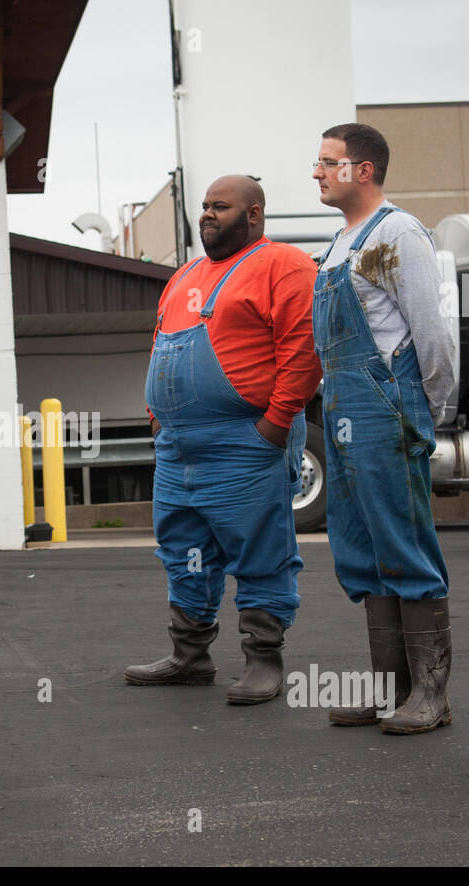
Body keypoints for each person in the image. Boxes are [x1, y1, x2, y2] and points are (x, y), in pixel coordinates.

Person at [125, 175, 322, 704]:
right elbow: (161, 343)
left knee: (260, 549)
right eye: (205, 206)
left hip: (245, 442)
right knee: (183, 550)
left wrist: (275, 425)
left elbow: (303, 349)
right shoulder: (187, 274)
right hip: (179, 448)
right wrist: (157, 416)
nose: (207, 214)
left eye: (221, 206)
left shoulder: (285, 265)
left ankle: (263, 659)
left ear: (254, 214)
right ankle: (190, 656)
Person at [310, 123, 456, 734]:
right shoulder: (337, 244)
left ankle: (431, 695)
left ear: (362, 170)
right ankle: (389, 690)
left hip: (386, 409)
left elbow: (434, 333)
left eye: (327, 162)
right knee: (361, 549)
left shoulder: (395, 234)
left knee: (403, 545)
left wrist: (429, 411)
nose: (316, 172)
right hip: (342, 408)